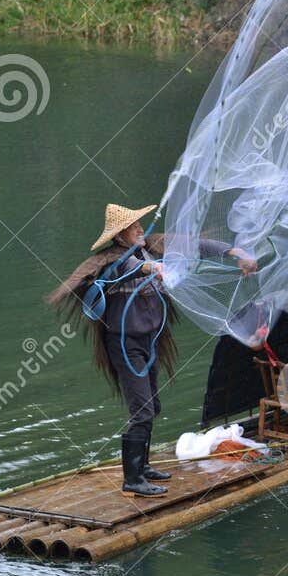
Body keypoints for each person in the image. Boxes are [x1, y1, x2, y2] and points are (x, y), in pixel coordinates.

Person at [48, 202, 257, 497]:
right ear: (120, 236)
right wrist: (152, 267)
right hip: (125, 346)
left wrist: (234, 252)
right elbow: (129, 268)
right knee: (142, 410)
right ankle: (132, 480)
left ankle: (142, 467)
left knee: (152, 408)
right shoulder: (111, 262)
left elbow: (194, 245)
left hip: (148, 343)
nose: (139, 229)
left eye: (138, 224)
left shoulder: (151, 245)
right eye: (132, 227)